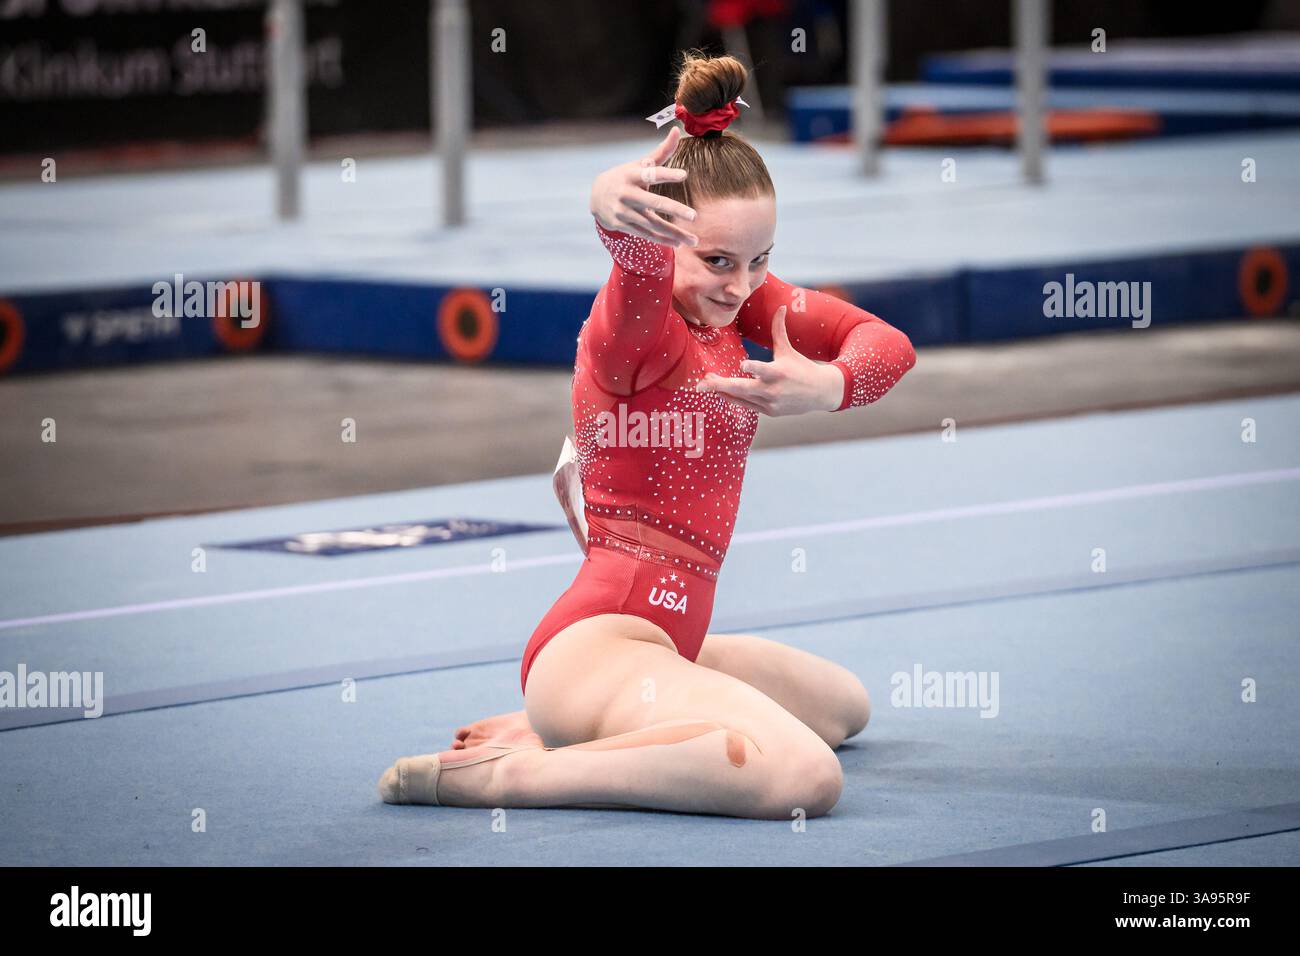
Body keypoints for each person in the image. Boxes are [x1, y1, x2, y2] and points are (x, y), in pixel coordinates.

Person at [378, 51, 916, 819]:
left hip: (666, 641)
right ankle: (507, 776)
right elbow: (631, 263)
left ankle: (556, 731)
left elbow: (886, 345)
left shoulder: (737, 301)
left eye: (760, 261)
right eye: (719, 260)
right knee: (803, 778)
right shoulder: (639, 336)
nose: (740, 285)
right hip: (596, 648)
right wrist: (606, 201)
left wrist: (826, 386)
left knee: (842, 710)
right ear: (666, 241)